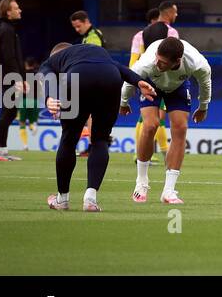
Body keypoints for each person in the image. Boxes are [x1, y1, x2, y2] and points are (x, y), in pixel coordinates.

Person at [38, 42, 157, 211]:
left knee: (69, 139)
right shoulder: (94, 53)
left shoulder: (55, 59)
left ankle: (62, 199)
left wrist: (50, 97)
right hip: (110, 77)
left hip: (79, 79)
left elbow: (45, 72)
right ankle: (90, 198)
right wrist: (139, 82)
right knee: (100, 140)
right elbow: (120, 68)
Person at [122, 35, 213, 205]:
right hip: (150, 84)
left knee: (180, 128)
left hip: (178, 87)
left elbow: (205, 83)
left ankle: (169, 191)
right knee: (150, 125)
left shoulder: (197, 62)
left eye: (163, 62)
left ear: (177, 61)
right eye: (158, 59)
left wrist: (203, 107)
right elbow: (129, 81)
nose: (158, 63)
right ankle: (141, 183)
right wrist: (124, 102)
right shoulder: (148, 62)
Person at [130, 7, 172, 156]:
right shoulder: (168, 31)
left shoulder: (139, 35)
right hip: (160, 80)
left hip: (143, 77)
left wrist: (133, 79)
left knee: (145, 117)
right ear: (155, 20)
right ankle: (163, 151)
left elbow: (134, 59)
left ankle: (140, 153)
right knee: (157, 117)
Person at [0, 0, 25, 162]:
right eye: (16, 8)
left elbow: (15, 57)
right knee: (8, 111)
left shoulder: (9, 28)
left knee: (10, 112)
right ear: (8, 12)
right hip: (8, 76)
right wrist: (17, 78)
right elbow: (9, 57)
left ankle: (2, 148)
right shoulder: (6, 29)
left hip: (10, 75)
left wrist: (22, 78)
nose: (20, 10)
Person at [70, 11, 106, 156]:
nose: (77, 30)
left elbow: (94, 59)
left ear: (86, 21)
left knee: (91, 114)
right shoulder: (89, 36)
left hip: (95, 79)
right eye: (75, 27)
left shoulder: (93, 37)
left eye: (79, 26)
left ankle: (94, 144)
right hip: (94, 78)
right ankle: (96, 142)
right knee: (90, 114)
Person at [18, 56, 41, 151]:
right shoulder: (38, 75)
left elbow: (19, 89)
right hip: (35, 101)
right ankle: (33, 126)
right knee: (32, 122)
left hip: (24, 100)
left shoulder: (22, 75)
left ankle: (25, 145)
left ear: (26, 64)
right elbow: (41, 89)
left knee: (22, 123)